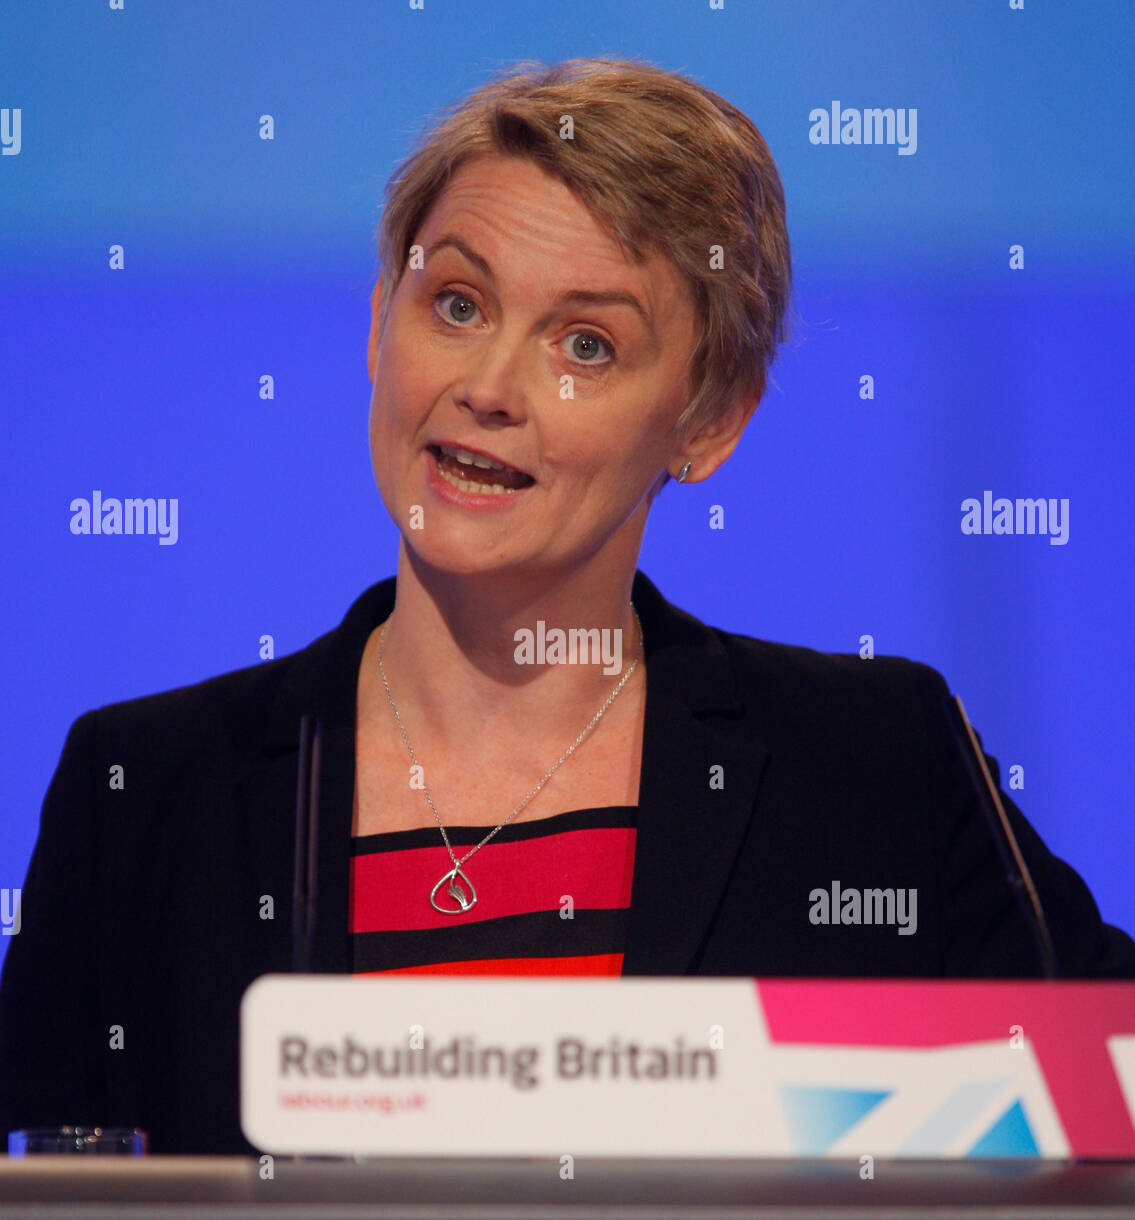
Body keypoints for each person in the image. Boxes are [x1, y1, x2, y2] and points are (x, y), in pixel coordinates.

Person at [2, 58, 1131, 1156]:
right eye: (455, 301)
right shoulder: (145, 791)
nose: (487, 386)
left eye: (584, 344)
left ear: (710, 419)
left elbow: (1105, 1094)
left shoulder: (875, 764)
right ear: (377, 324)